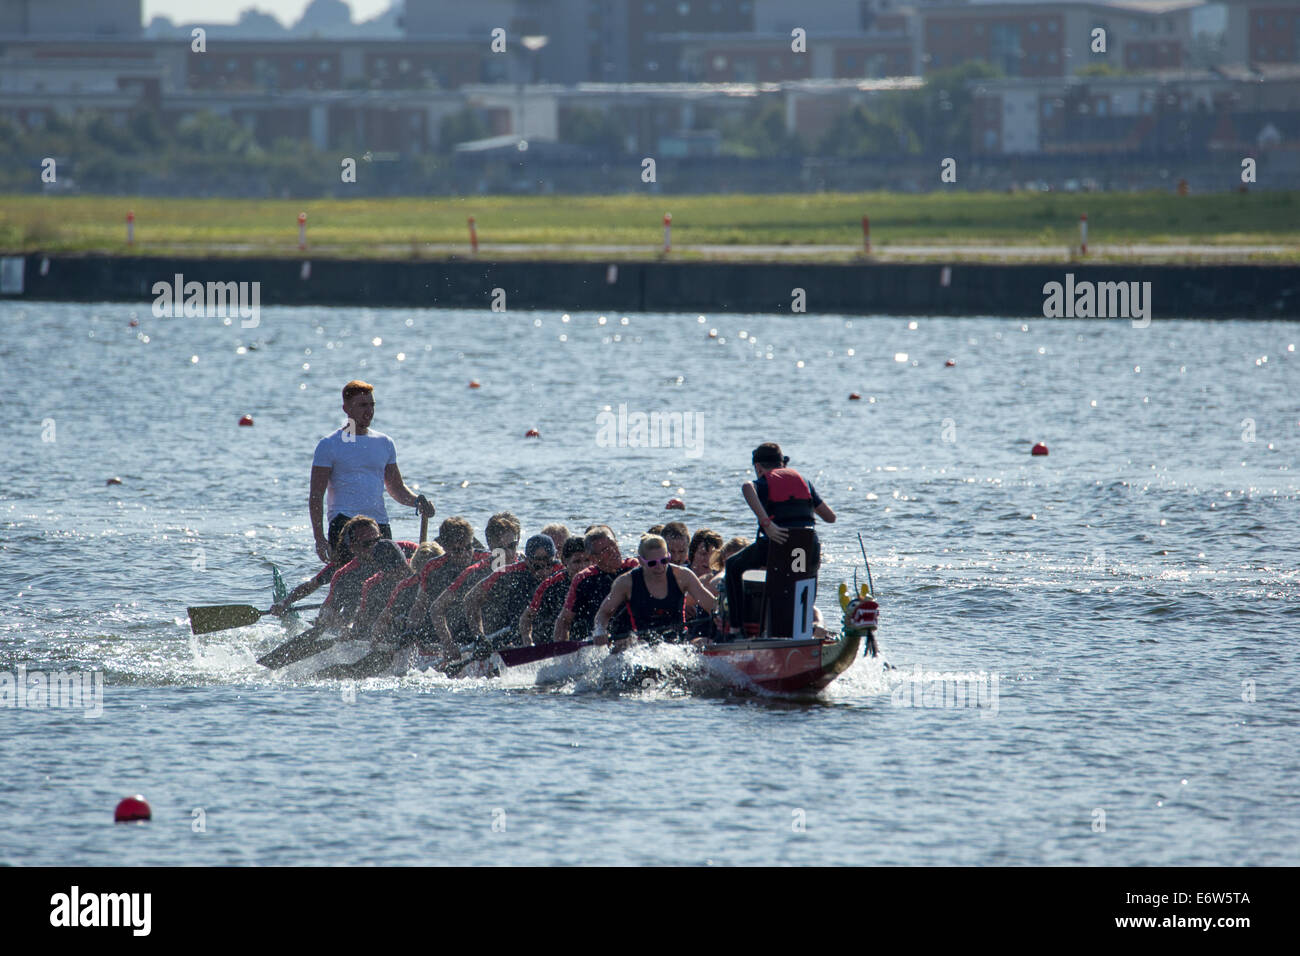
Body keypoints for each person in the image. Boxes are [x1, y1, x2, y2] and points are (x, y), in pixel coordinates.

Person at [309, 380, 434, 563]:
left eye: (371, 405)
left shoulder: (385, 443)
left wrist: (417, 502)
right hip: (344, 525)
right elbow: (316, 496)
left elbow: (396, 489)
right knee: (350, 584)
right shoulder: (329, 445)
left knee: (387, 583)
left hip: (379, 525)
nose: (369, 411)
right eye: (362, 405)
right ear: (346, 408)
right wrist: (319, 539)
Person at [723, 442, 835, 637]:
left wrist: (767, 524)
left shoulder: (765, 481)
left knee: (732, 566)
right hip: (809, 546)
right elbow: (830, 517)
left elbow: (746, 487)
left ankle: (735, 629)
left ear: (758, 467)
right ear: (782, 463)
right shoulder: (804, 482)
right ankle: (804, 628)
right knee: (799, 581)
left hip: (780, 543)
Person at [592, 534, 716, 646]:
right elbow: (603, 613)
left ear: (668, 556)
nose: (660, 568)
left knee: (705, 642)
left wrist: (722, 617)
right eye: (652, 563)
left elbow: (712, 605)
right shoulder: (626, 582)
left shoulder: (683, 576)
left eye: (664, 561)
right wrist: (600, 631)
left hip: (678, 644)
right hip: (642, 646)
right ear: (640, 561)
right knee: (621, 647)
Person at [428, 512, 521, 657]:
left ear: (518, 541)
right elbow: (436, 609)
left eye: (512, 546)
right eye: (501, 548)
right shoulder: (474, 573)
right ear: (490, 546)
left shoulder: (528, 564)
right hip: (481, 643)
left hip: (511, 635)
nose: (508, 553)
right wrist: (448, 644)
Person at [462, 534, 561, 647]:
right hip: (514, 631)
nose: (544, 572)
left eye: (548, 565)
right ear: (527, 561)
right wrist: (479, 637)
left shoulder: (562, 570)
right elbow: (470, 600)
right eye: (537, 567)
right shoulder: (506, 573)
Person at [318, 516, 418, 628]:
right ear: (352, 547)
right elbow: (328, 610)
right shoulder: (344, 576)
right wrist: (332, 621)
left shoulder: (407, 549)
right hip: (366, 623)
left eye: (377, 540)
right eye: (367, 544)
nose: (375, 547)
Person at [552, 526, 637, 643]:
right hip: (599, 639)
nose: (614, 551)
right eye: (605, 550)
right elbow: (564, 621)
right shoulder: (583, 579)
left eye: (614, 544)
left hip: (635, 638)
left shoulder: (634, 567)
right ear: (593, 558)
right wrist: (560, 651)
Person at [518, 537, 591, 646]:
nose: (583, 567)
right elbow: (526, 617)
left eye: (587, 560)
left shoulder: (599, 577)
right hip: (553, 635)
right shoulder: (549, 585)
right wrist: (527, 641)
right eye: (577, 561)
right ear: (565, 561)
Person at [349, 541, 415, 643]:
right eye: (393, 570)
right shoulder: (371, 586)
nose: (400, 572)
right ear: (382, 570)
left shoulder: (419, 568)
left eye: (401, 566)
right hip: (388, 625)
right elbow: (364, 618)